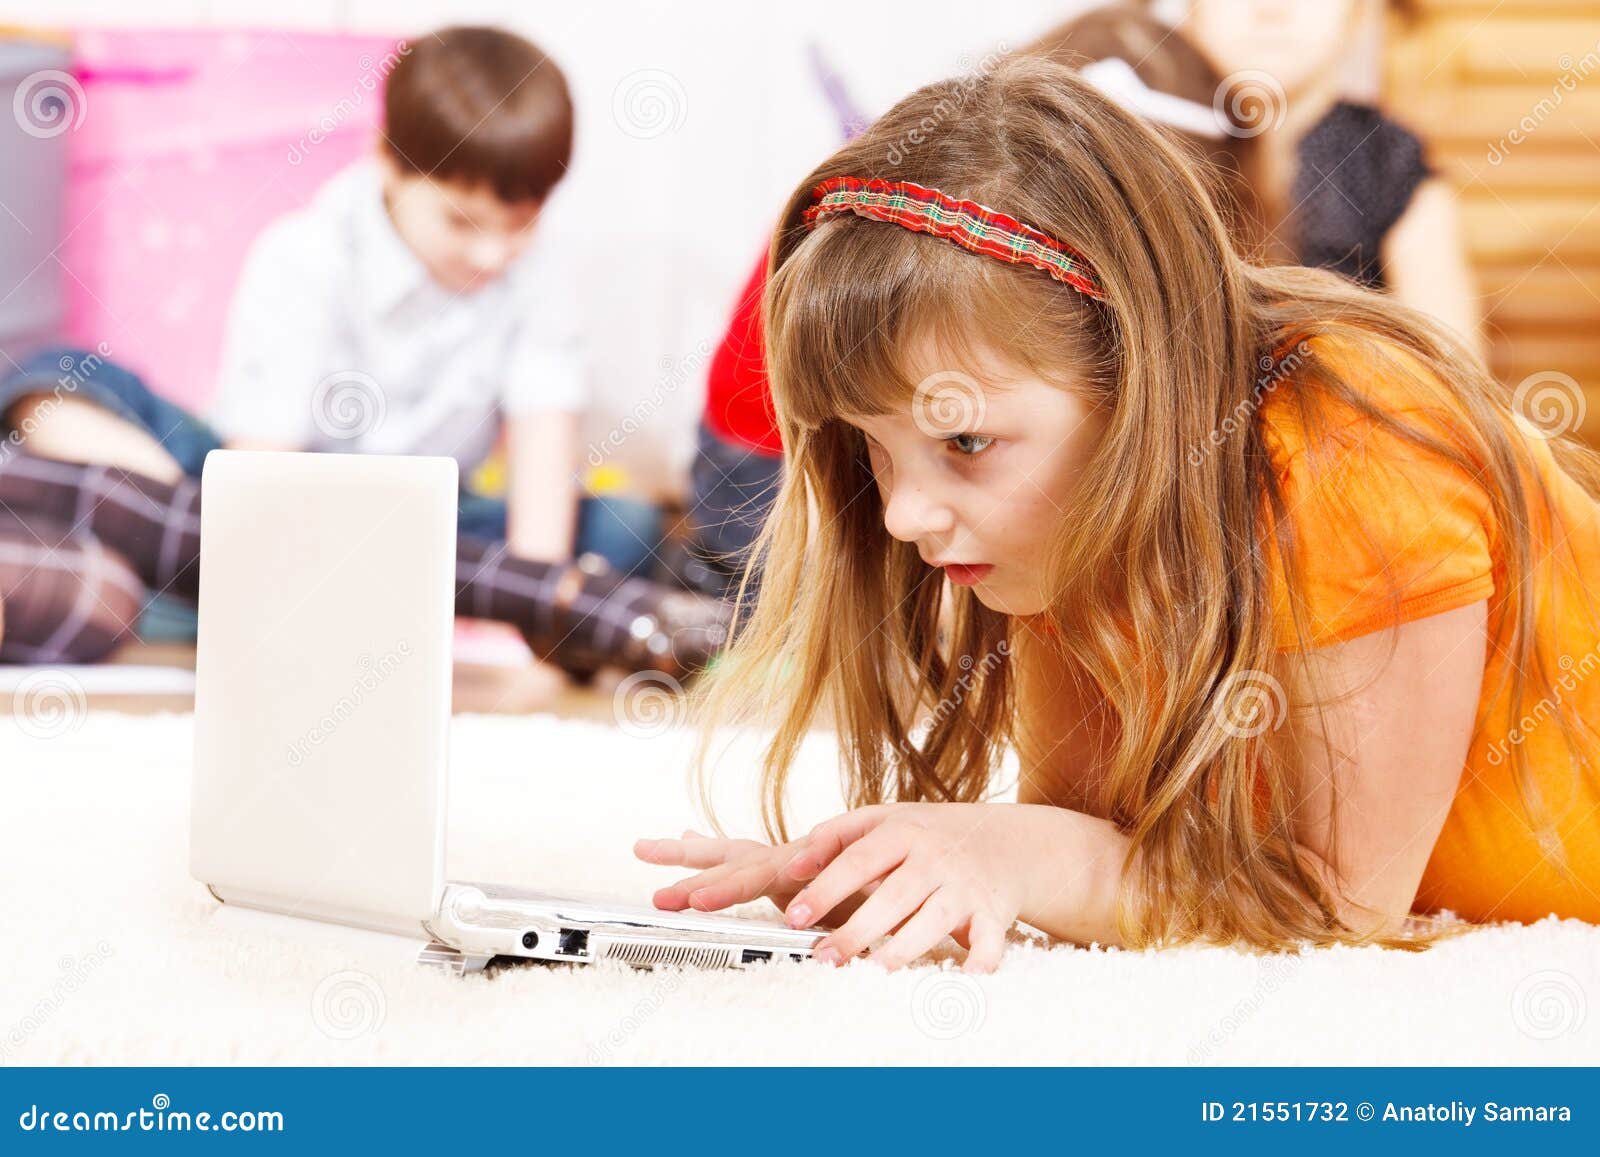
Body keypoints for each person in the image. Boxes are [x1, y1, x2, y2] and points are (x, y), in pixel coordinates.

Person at [635, 58, 1600, 972]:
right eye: (875, 450)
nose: (902, 515)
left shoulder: (1355, 436)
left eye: (965, 440)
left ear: (1137, 379)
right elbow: (1109, 848)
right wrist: (905, 870)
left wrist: (1014, 852)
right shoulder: (1069, 520)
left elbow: (1343, 904)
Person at [0, 27, 728, 678]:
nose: (492, 252)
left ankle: (160, 555)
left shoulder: (537, 275)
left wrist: (538, 597)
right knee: (55, 382)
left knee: (621, 525)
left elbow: (541, 491)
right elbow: (260, 472)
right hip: (262, 498)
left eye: (519, 225)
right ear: (388, 161)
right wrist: (232, 540)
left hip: (429, 523)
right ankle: (170, 531)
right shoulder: (306, 255)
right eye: (462, 222)